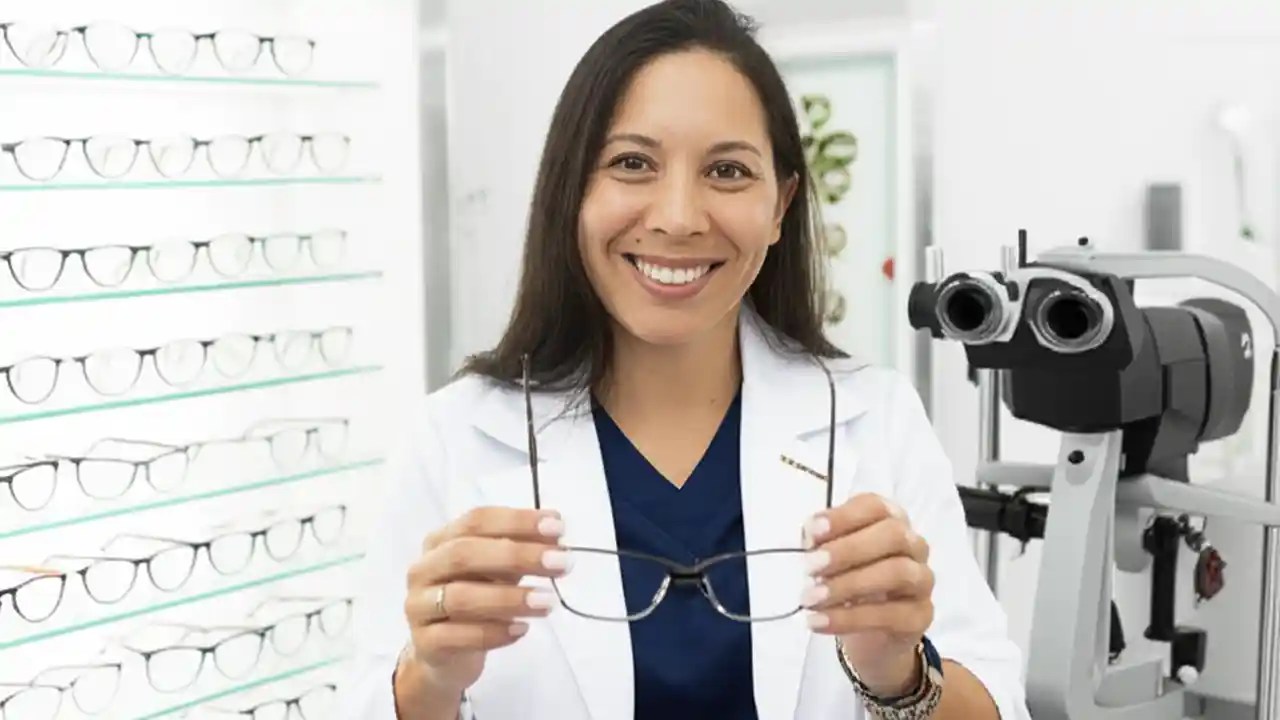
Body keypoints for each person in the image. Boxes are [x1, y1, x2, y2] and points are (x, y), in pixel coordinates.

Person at [340, 1, 1030, 718]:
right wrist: (430, 678)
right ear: (572, 187)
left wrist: (899, 672)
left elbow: (999, 704)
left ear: (780, 205)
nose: (677, 216)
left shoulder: (876, 421)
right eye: (632, 164)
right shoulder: (454, 439)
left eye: (727, 171)